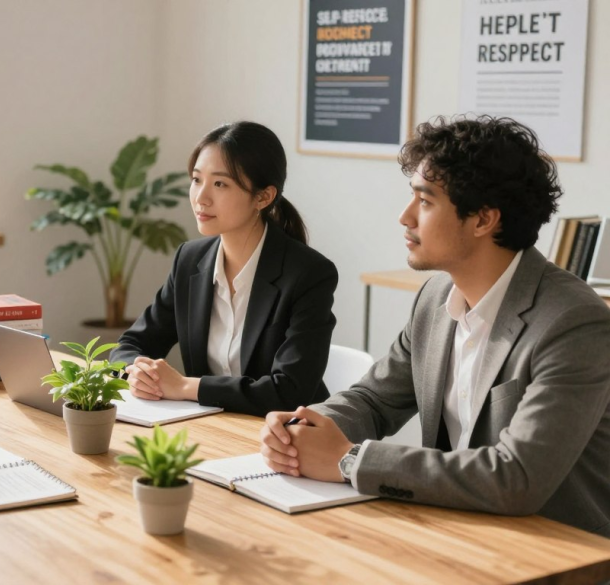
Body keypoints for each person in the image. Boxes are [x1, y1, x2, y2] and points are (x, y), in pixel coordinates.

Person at [260, 115, 610, 538]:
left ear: (483, 220)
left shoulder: (573, 323)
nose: (405, 217)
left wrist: (350, 460)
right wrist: (302, 428)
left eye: (425, 201)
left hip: (552, 551)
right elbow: (373, 400)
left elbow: (518, 477)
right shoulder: (435, 298)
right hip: (453, 529)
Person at [111, 121, 338, 417]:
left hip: (286, 438)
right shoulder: (190, 260)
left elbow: (288, 391)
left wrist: (184, 387)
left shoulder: (308, 274)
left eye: (220, 184)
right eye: (196, 180)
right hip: (213, 428)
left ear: (263, 197)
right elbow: (132, 343)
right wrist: (136, 371)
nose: (201, 198)